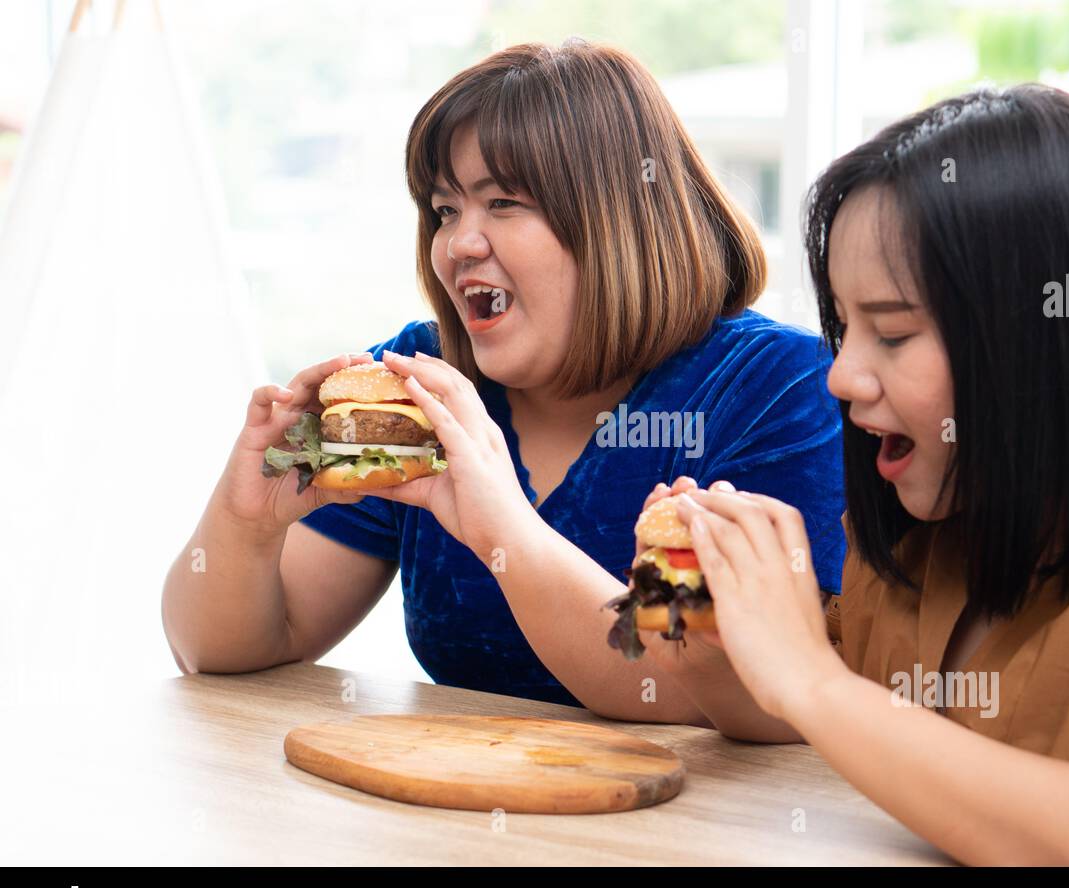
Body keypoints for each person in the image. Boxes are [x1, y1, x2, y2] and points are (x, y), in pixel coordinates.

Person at [648, 85, 1069, 865]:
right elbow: (842, 724)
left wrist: (811, 680)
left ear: (1043, 340)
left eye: (891, 332)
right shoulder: (934, 524)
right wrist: (722, 645)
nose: (842, 375)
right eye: (845, 327)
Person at [161, 40, 845, 721]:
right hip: (462, 811)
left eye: (504, 202)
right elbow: (221, 653)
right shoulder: (422, 386)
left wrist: (504, 531)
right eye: (445, 209)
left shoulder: (778, 388)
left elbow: (725, 700)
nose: (459, 243)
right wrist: (244, 523)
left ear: (620, 220)